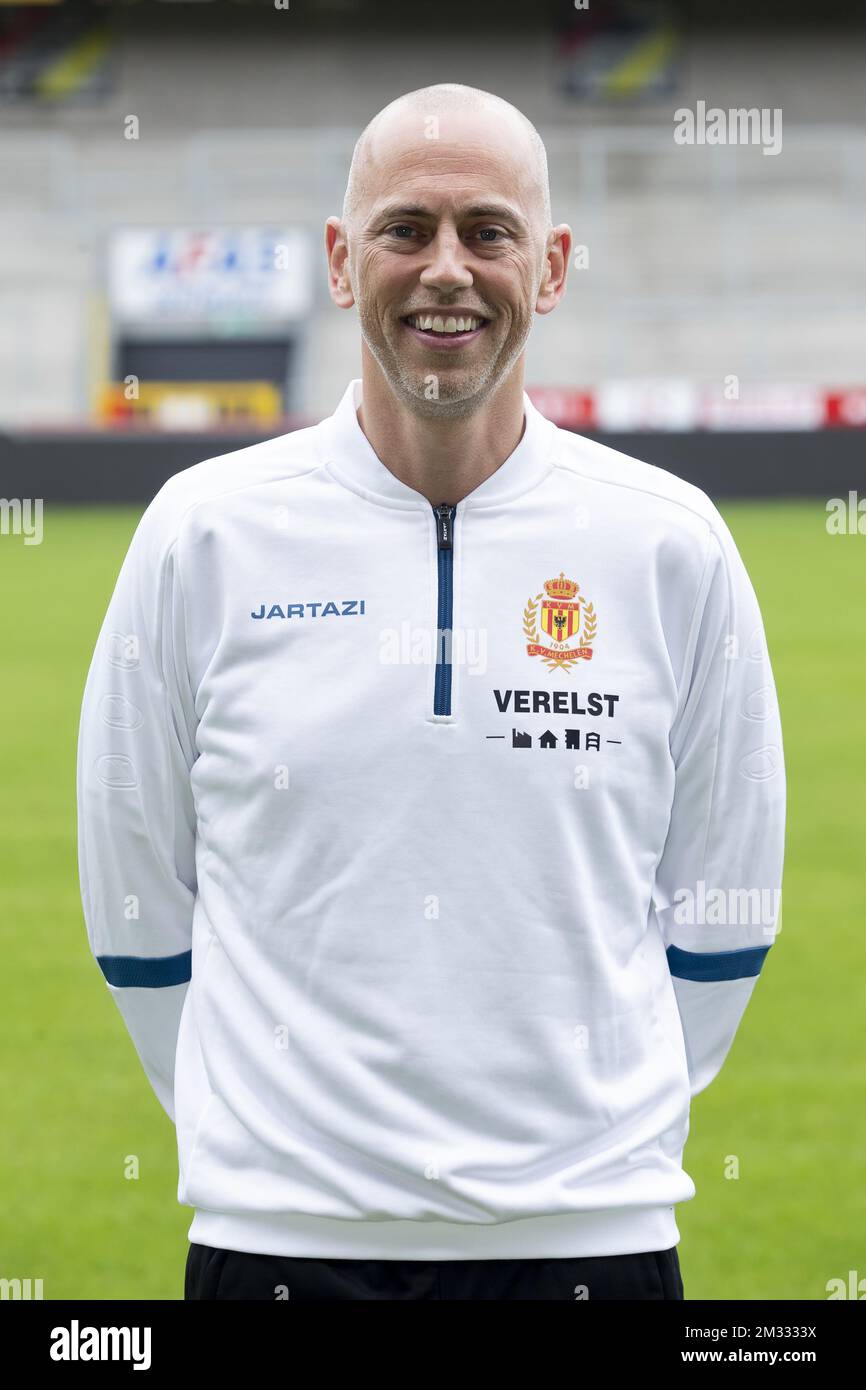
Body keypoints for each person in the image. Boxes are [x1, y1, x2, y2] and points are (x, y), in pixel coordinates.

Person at [76, 83, 786, 1302]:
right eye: (406, 229)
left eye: (487, 232)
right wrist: (270, 1138)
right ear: (342, 264)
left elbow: (723, 904)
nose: (446, 270)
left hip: (588, 1249)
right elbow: (136, 899)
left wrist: (585, 1138)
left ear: (550, 265)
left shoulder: (668, 543)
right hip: (280, 1248)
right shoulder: (204, 533)